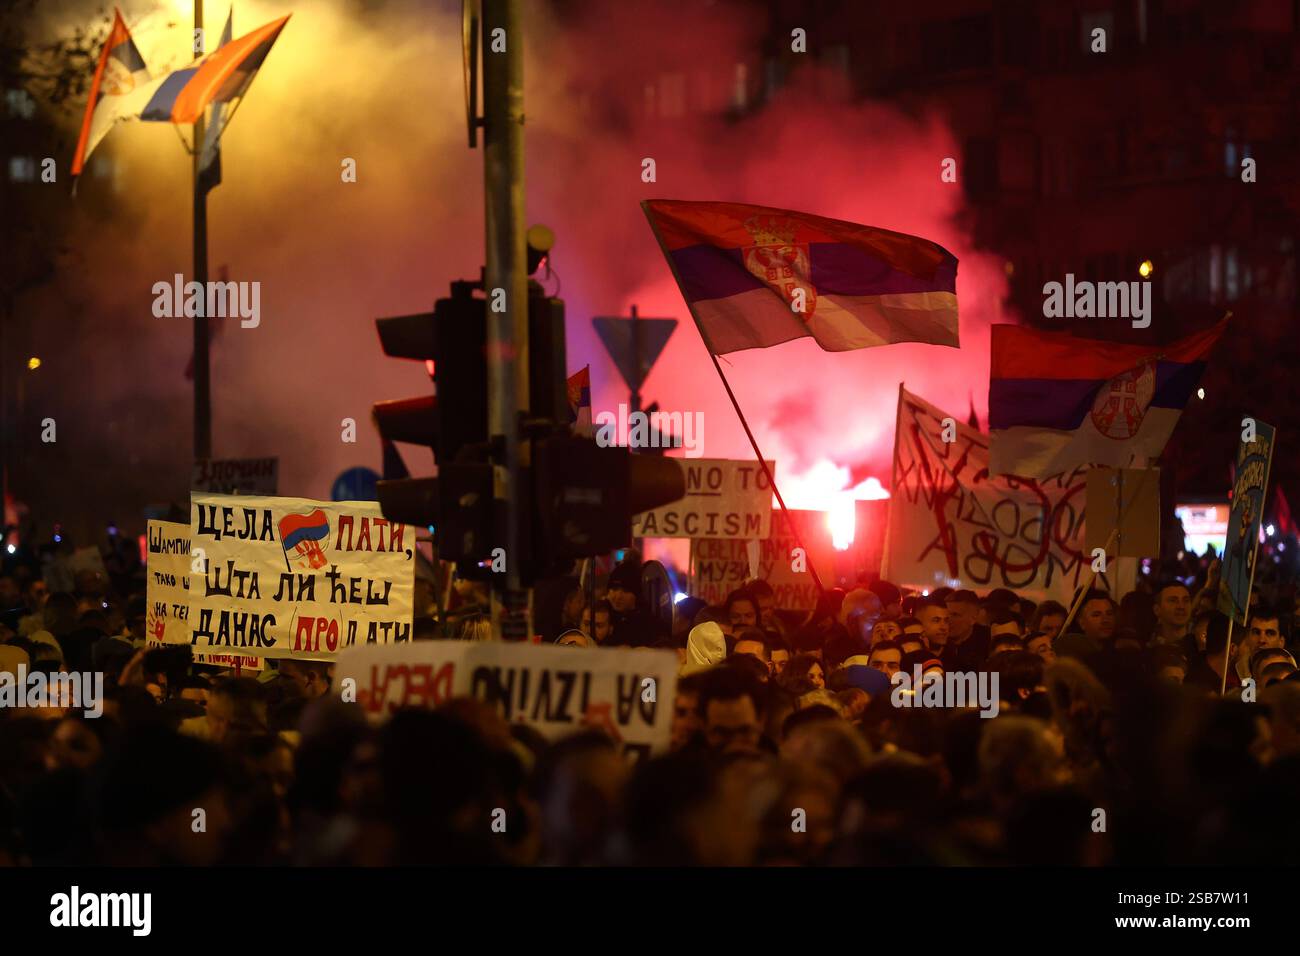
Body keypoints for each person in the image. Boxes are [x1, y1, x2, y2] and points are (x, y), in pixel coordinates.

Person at [1151, 581, 1193, 647]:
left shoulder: (1200, 645)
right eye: (1173, 601)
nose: (1181, 606)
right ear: (1157, 610)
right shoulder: (1149, 648)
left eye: (1186, 601)